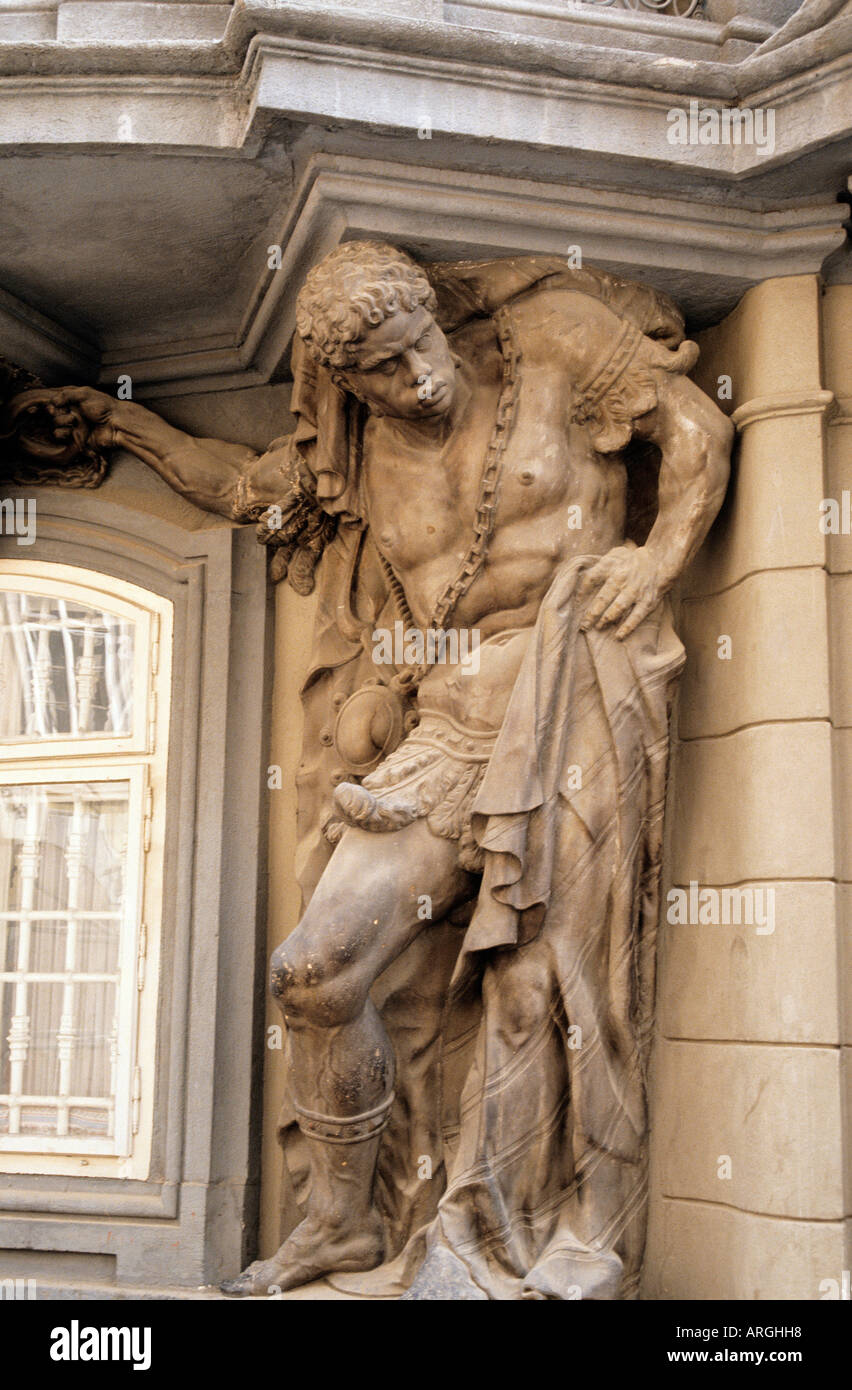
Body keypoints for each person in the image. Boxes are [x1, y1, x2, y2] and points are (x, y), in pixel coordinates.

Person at [27, 242, 732, 1299]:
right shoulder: (354, 453)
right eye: (387, 373)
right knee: (313, 971)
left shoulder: (552, 341)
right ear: (348, 387)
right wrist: (116, 422)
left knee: (544, 986)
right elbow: (247, 491)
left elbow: (697, 430)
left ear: (433, 319)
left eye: (420, 348)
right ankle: (342, 1223)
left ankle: (550, 1236)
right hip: (446, 727)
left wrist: (657, 557)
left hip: (576, 692)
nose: (420, 379)